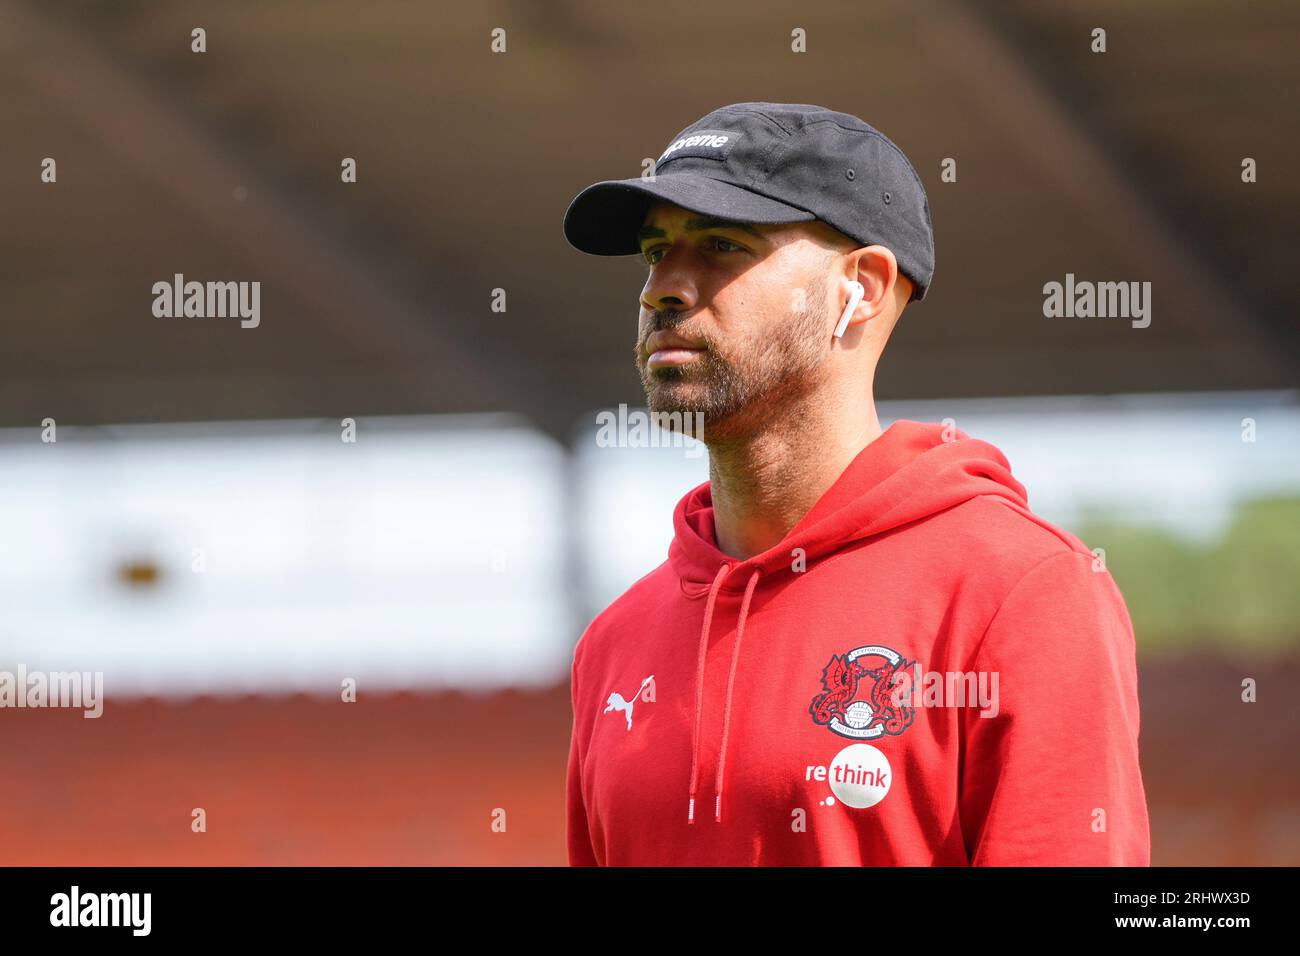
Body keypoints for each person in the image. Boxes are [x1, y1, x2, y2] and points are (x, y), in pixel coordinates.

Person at [560, 102, 1149, 865]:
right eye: (654, 252)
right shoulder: (613, 643)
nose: (663, 289)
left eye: (720, 245)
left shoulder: (1023, 590)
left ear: (862, 288)